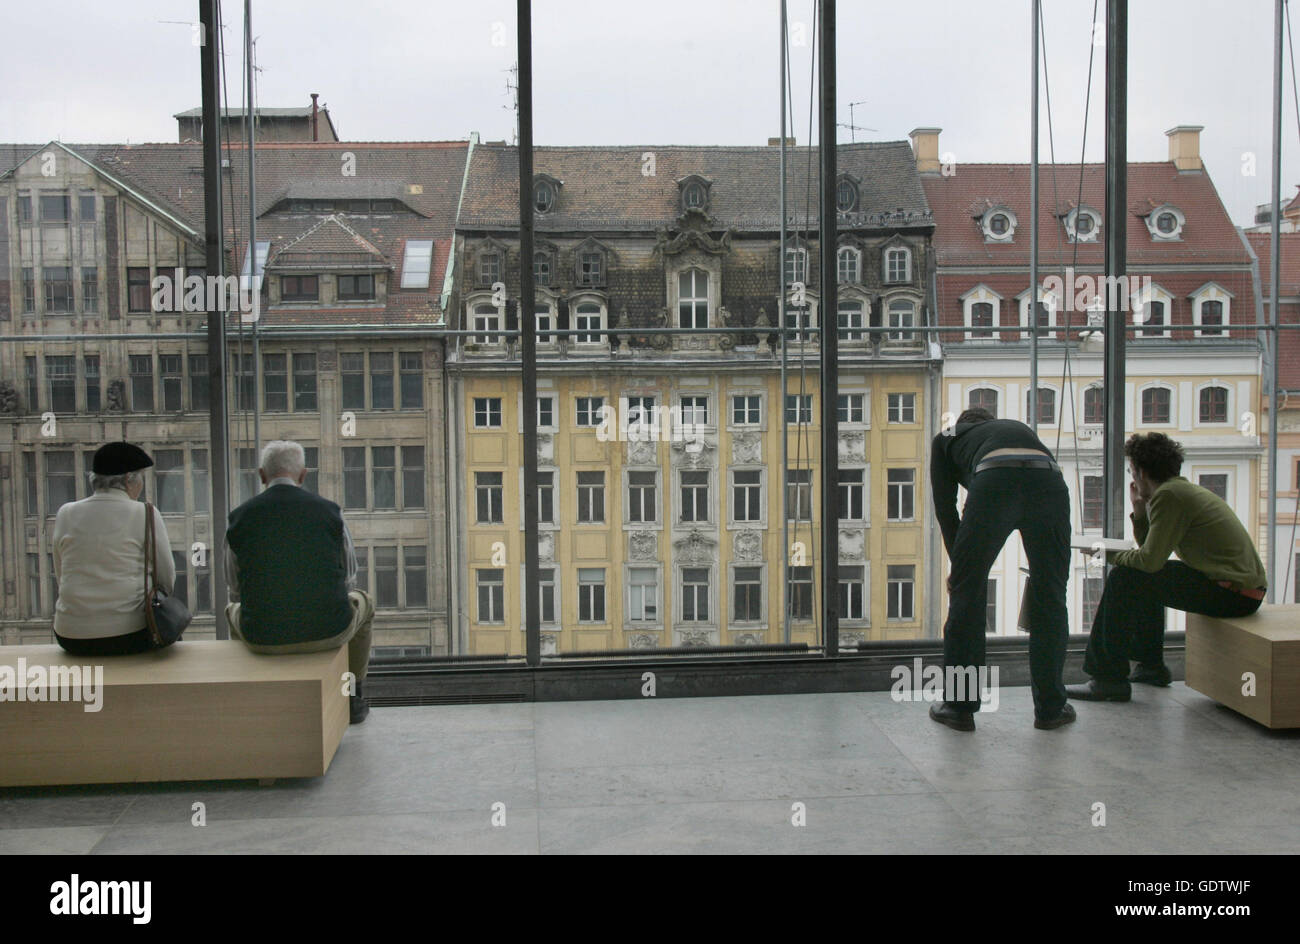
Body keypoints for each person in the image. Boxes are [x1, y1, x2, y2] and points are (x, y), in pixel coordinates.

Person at [1067, 433, 1266, 702]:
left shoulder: (1170, 496)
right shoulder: (1178, 491)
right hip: (1239, 590)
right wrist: (1139, 512)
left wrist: (1106, 554)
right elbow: (1153, 552)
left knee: (1125, 576)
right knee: (1144, 578)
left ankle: (1107, 677)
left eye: (1131, 471)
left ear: (1141, 471)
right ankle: (1151, 667)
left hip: (1234, 594)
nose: (1132, 478)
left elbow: (1149, 561)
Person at [930, 407, 1075, 731]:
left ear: (965, 423)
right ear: (987, 422)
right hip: (1049, 481)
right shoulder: (1013, 427)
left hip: (995, 479)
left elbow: (945, 507)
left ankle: (959, 707)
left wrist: (962, 569)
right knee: (1051, 594)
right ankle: (1051, 708)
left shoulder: (946, 438)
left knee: (967, 598)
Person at [225, 441, 375, 723]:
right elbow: (349, 579)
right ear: (304, 475)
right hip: (328, 631)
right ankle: (352, 695)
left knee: (230, 610)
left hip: (262, 637)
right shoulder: (330, 512)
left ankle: (250, 693)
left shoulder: (239, 518)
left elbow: (234, 589)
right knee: (365, 602)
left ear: (261, 475)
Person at [52, 442, 178, 655]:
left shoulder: (66, 513)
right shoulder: (145, 513)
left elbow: (61, 574)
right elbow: (166, 578)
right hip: (129, 635)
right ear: (129, 479)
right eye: (140, 478)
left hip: (71, 636)